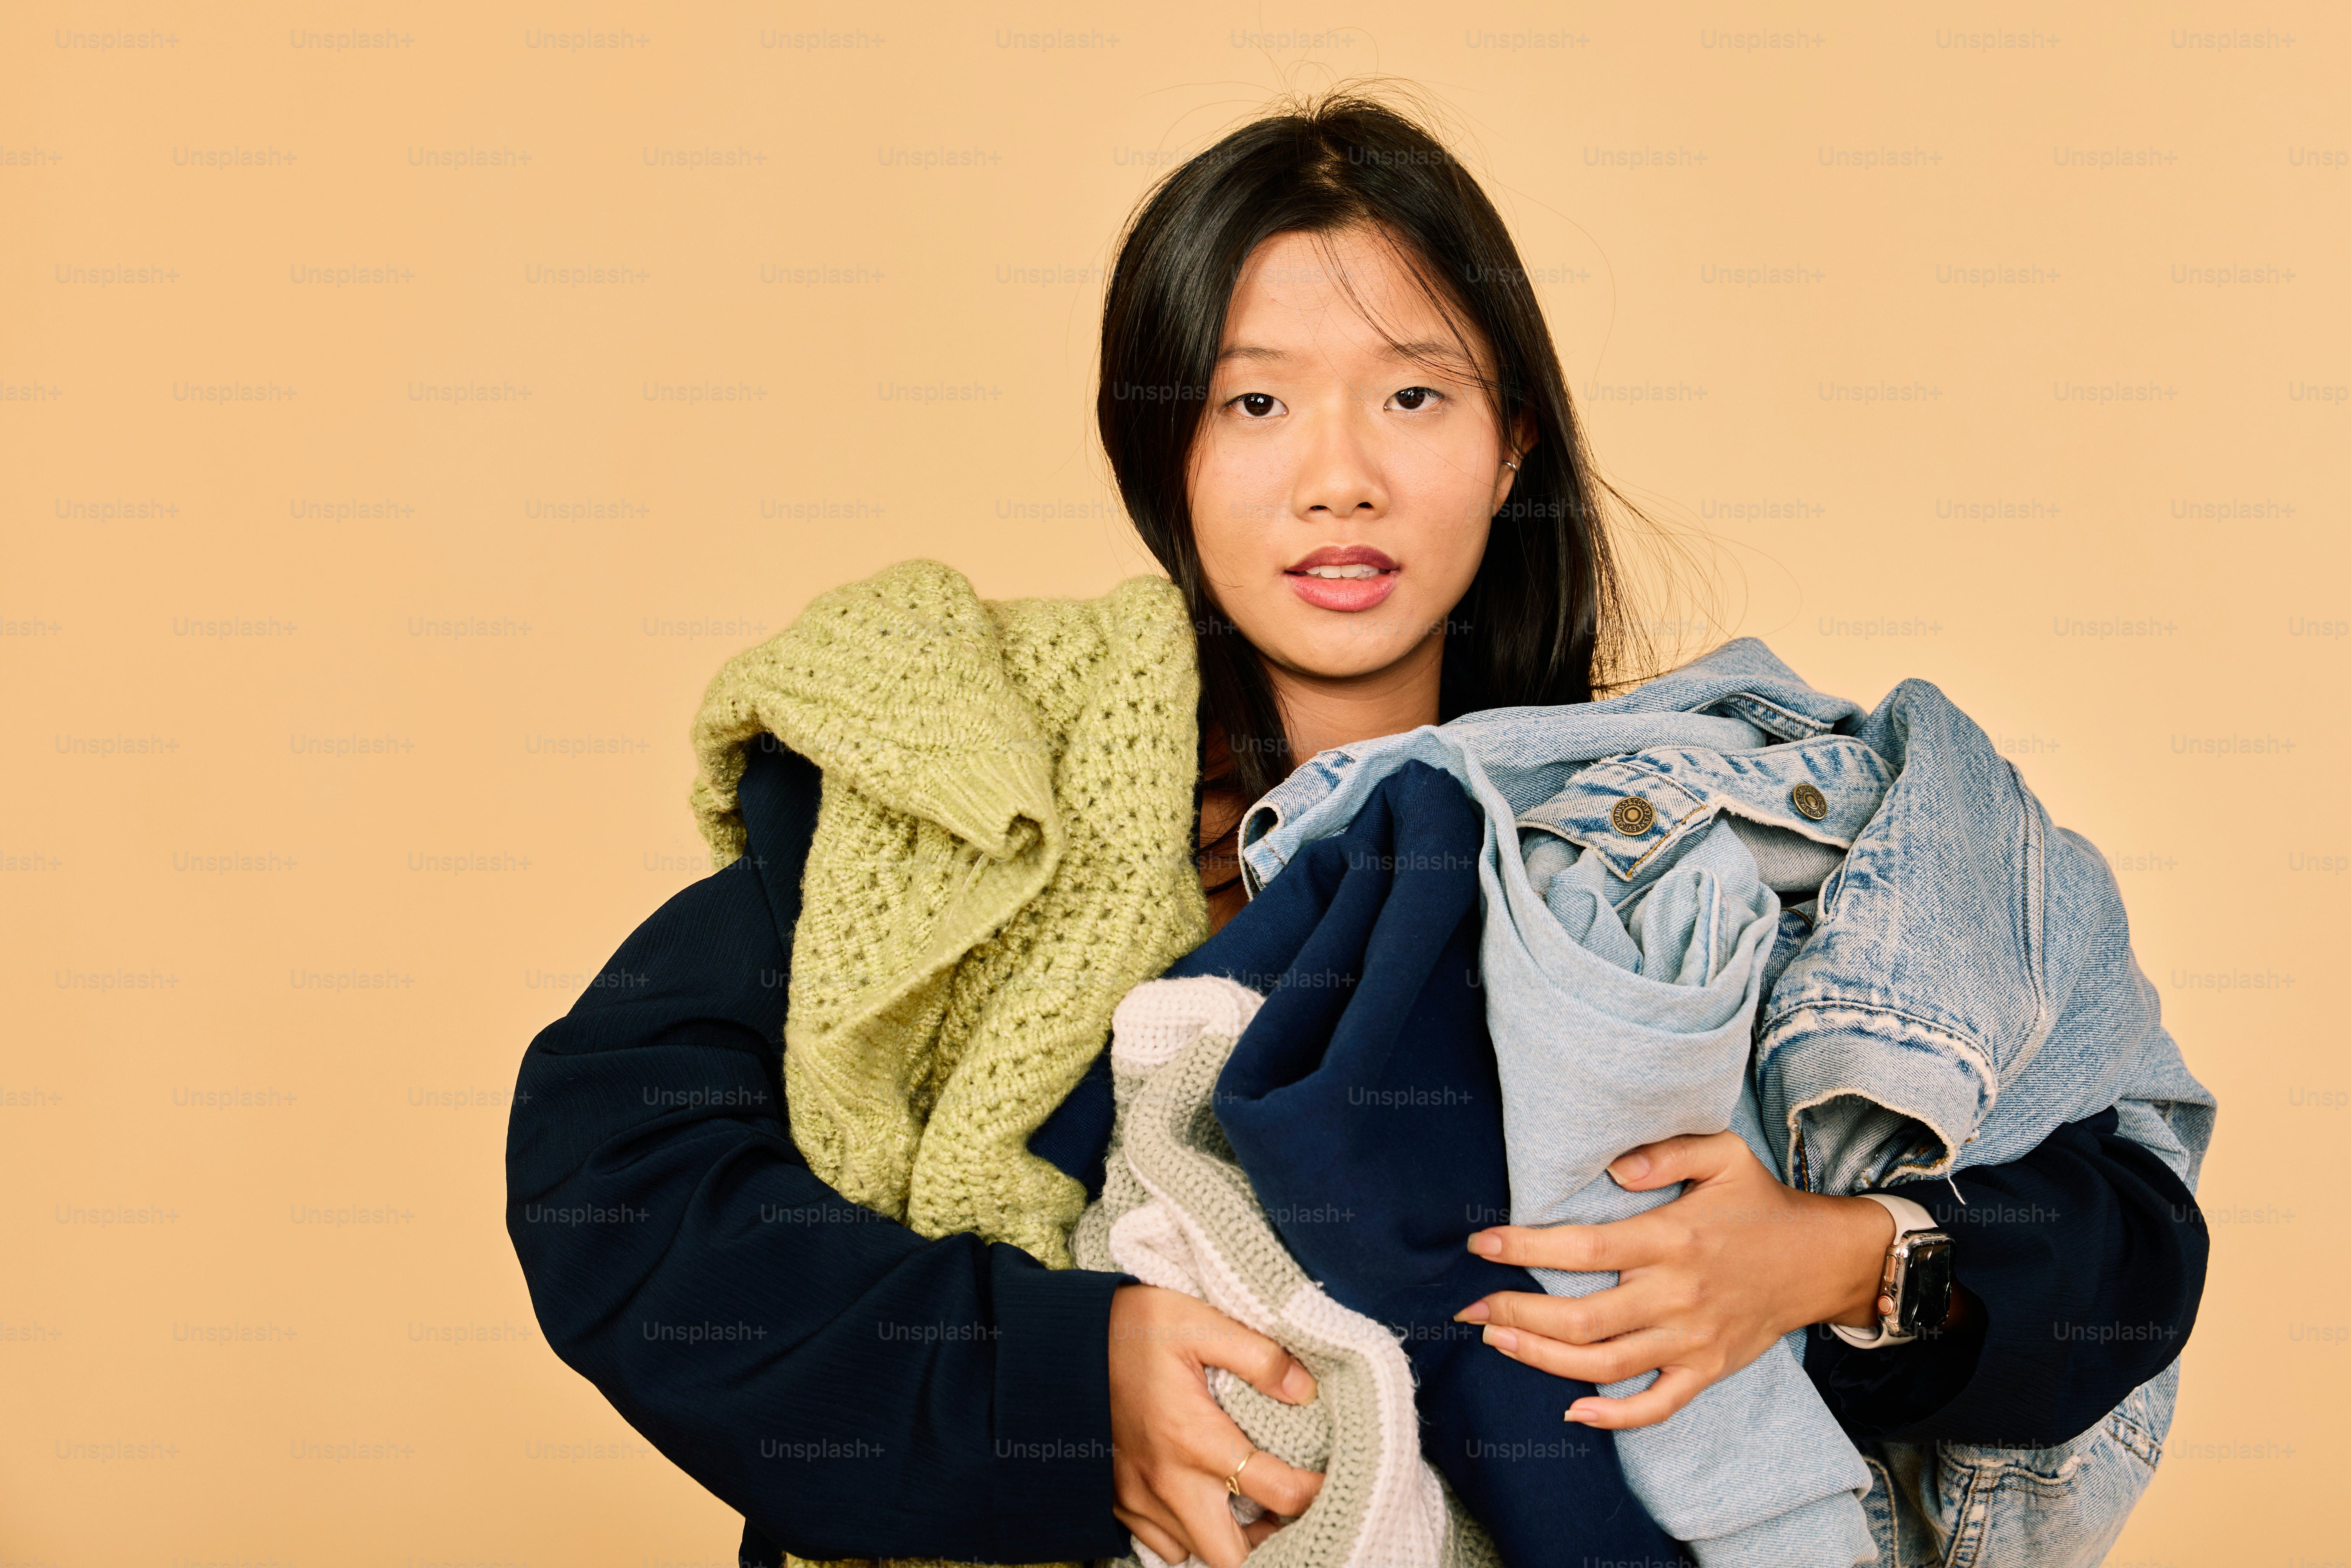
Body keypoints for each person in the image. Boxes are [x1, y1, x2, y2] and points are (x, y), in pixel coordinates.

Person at [506, 92, 2209, 1568]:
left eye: (1413, 397)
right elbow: (619, 1180)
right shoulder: (970, 780)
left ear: (1508, 440)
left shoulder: (1681, 831)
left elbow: (2127, 1246)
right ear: (1161, 447)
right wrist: (1061, 1380)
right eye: (1256, 405)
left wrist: (1833, 1259)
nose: (1340, 477)